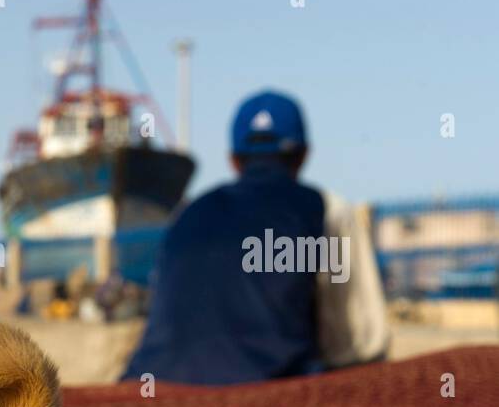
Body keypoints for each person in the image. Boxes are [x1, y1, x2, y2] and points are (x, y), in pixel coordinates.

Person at [122, 90, 387, 385]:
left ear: (234, 160)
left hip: (148, 390)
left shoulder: (187, 215)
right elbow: (361, 346)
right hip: (262, 400)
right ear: (303, 155)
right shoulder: (327, 210)